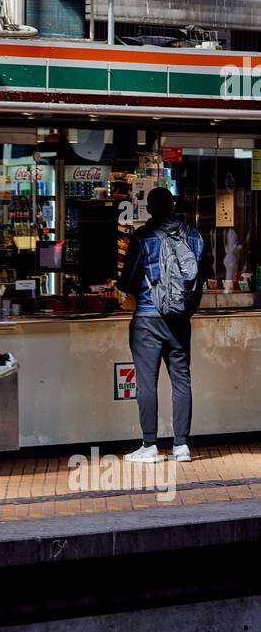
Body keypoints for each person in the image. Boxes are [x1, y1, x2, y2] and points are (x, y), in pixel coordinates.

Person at [118, 186, 206, 463]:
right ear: (173, 205)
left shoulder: (143, 237)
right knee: (182, 380)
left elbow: (129, 281)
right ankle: (181, 446)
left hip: (147, 318)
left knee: (147, 383)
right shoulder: (193, 235)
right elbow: (202, 275)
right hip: (180, 319)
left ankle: (150, 445)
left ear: (151, 208)